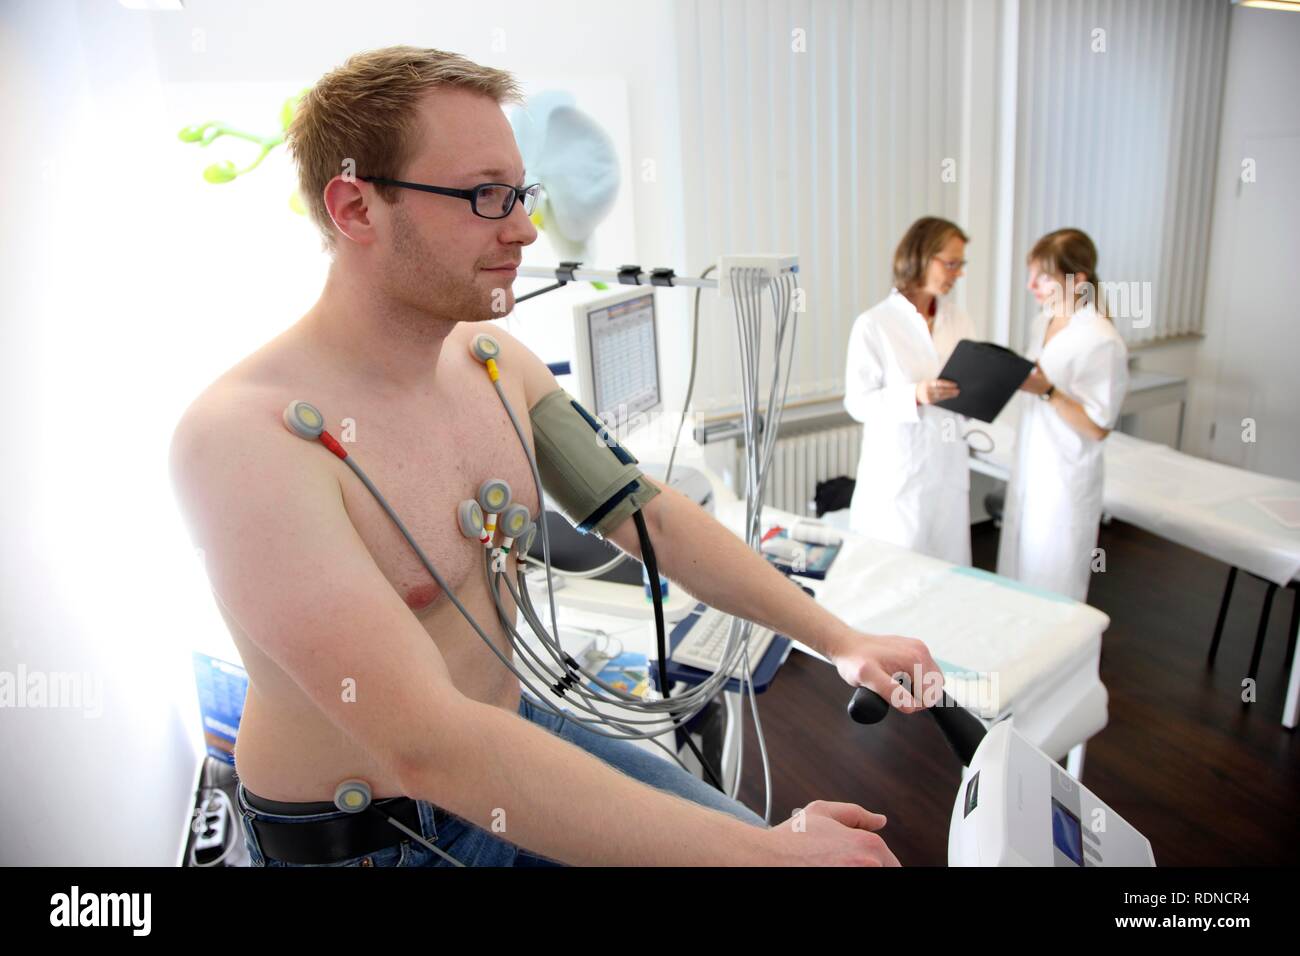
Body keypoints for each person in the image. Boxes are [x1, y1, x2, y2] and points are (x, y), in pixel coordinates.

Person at [169, 46, 942, 867]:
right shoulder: (244, 442)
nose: (526, 228)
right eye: (484, 196)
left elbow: (647, 516)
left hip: (513, 730)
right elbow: (426, 746)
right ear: (357, 208)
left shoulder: (495, 363)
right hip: (383, 833)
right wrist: (768, 854)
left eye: (521, 192)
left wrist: (838, 637)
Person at [996, 228, 1129, 603]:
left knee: (1053, 588)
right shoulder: (1044, 321)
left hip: (1064, 480)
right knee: (1017, 580)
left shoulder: (1101, 339)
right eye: (1030, 274)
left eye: (1043, 276)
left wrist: (1049, 391)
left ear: (1078, 279)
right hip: (1030, 468)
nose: (1030, 285)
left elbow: (1098, 426)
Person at [843, 217, 977, 565]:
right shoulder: (875, 324)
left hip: (947, 468)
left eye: (961, 264)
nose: (958, 272)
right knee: (895, 576)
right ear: (920, 257)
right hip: (898, 476)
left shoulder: (958, 320)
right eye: (951, 263)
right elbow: (858, 403)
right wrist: (914, 395)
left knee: (948, 576)